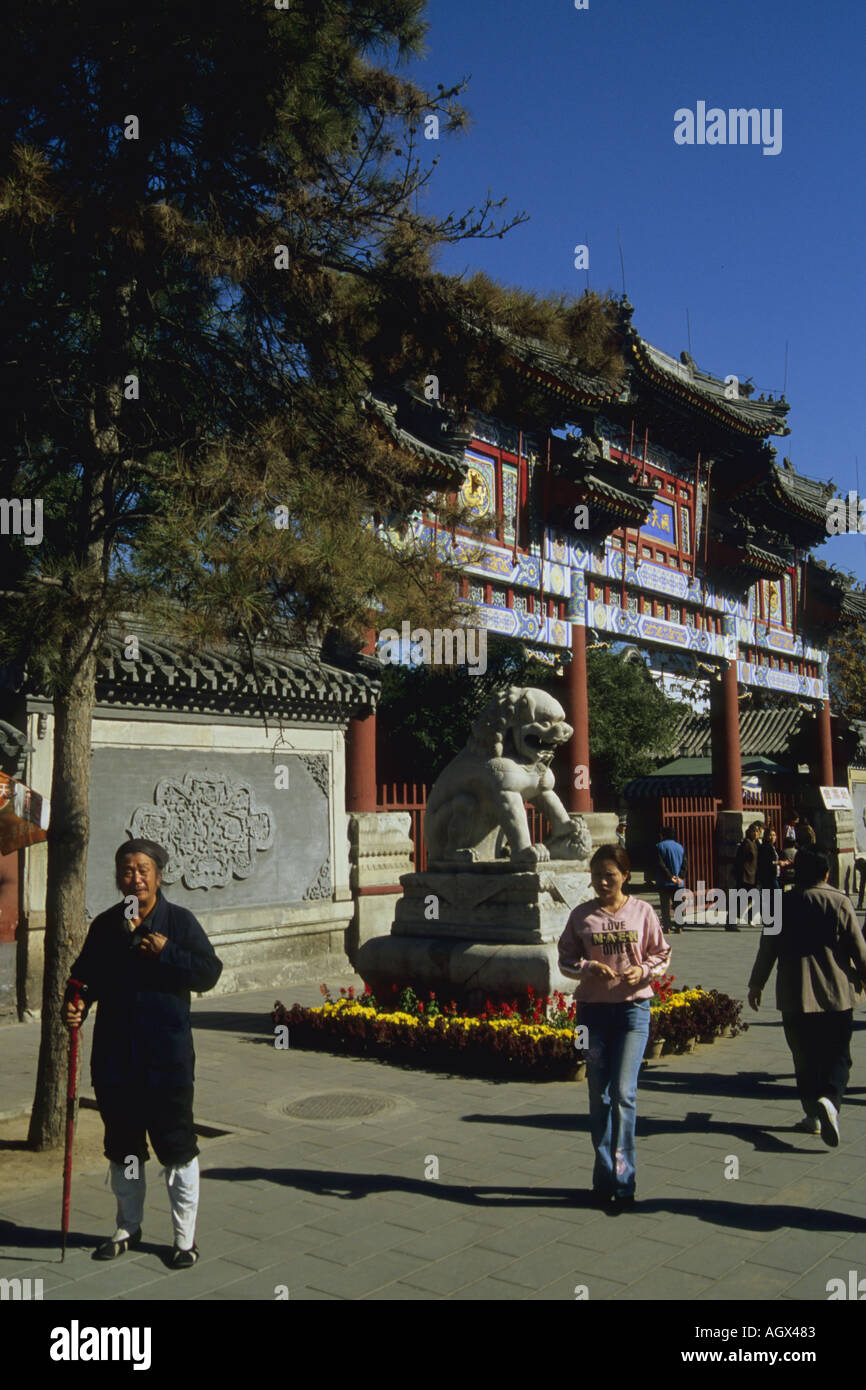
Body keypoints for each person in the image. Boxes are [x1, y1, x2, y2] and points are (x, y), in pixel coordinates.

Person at [63, 838, 223, 1267]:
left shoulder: (180, 922)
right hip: (116, 1059)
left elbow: (209, 972)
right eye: (127, 870)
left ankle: (183, 1240)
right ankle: (128, 1226)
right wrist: (76, 1003)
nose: (134, 878)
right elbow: (84, 976)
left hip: (165, 1060)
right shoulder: (105, 926)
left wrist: (166, 951)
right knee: (125, 1149)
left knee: (176, 1147)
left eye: (142, 870)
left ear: (158, 875)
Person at [557, 844, 671, 1212]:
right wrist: (587, 967)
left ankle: (624, 1179)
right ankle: (603, 1175)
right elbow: (565, 960)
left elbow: (661, 953)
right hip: (590, 1016)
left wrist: (645, 971)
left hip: (633, 1012)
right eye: (597, 875)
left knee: (624, 1093)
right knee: (598, 1095)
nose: (603, 881)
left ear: (625, 875)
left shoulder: (642, 912)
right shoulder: (581, 916)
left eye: (610, 874)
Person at [748, 849, 866, 1144]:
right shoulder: (839, 901)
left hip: (795, 993)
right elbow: (858, 948)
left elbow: (768, 949)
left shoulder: (780, 904)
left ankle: (813, 1114)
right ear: (826, 873)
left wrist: (756, 985)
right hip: (836, 993)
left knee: (804, 1057)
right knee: (838, 1055)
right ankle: (831, 1101)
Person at [655, 824, 687, 934]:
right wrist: (680, 877)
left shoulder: (659, 846)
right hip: (678, 883)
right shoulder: (680, 847)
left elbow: (660, 864)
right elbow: (684, 864)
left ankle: (667, 927)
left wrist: (669, 876)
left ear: (663, 835)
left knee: (665, 906)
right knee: (678, 904)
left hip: (664, 882)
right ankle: (679, 927)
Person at [732, 820, 763, 929]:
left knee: (751, 899)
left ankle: (745, 918)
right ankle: (731, 922)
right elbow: (740, 861)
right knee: (741, 900)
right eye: (753, 831)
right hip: (745, 876)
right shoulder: (746, 844)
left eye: (757, 832)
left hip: (753, 876)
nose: (755, 833)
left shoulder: (755, 844)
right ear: (749, 832)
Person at [757, 825, 789, 892]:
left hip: (774, 874)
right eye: (770, 835)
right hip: (769, 875)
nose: (772, 837)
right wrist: (779, 862)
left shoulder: (772, 847)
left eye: (774, 835)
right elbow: (766, 861)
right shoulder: (765, 847)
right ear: (765, 836)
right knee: (776, 896)